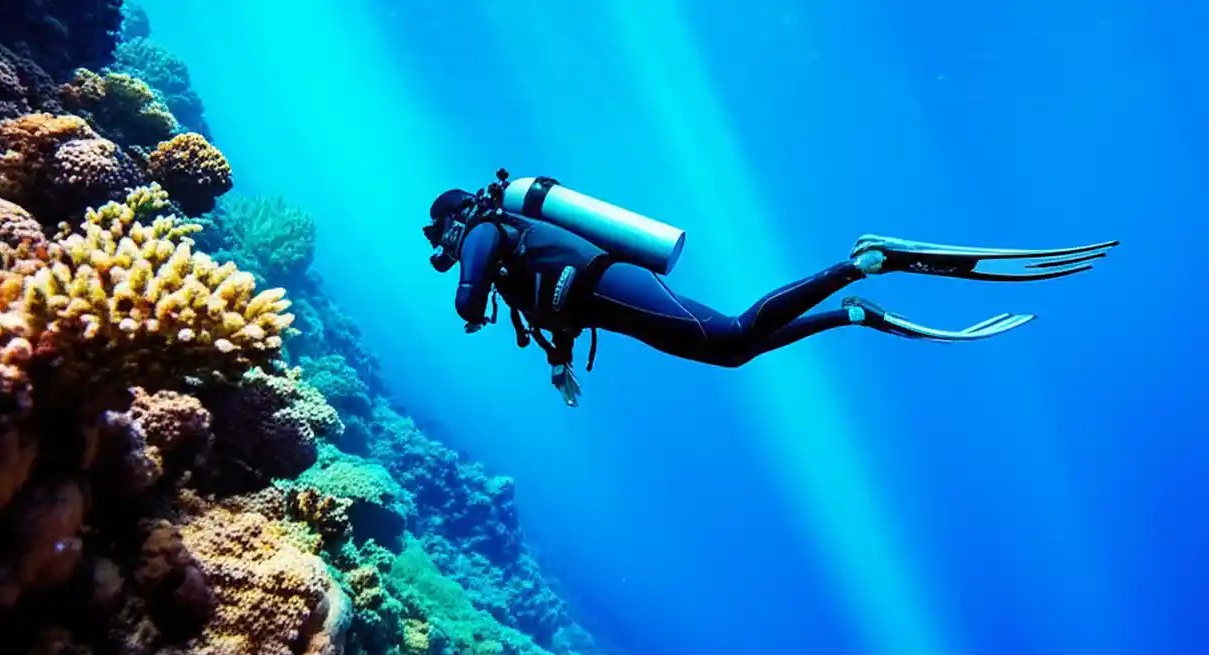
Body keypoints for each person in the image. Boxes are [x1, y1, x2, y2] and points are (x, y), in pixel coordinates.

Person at [422, 179, 1118, 407]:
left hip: (614, 285)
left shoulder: (485, 227)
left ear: (455, 217)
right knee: (732, 354)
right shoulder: (502, 247)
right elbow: (545, 305)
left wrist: (466, 296)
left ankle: (863, 265)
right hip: (606, 300)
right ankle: (852, 312)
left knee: (728, 334)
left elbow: (476, 274)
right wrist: (558, 362)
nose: (445, 244)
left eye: (442, 233)